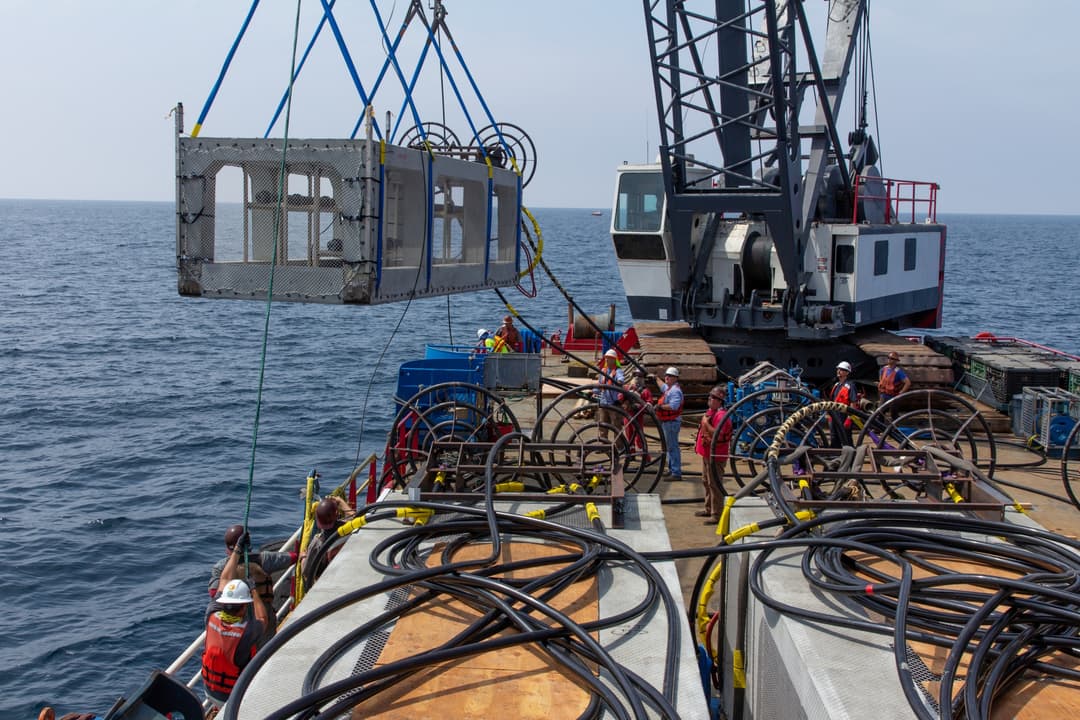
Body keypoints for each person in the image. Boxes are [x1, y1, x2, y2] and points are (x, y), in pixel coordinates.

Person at [202, 536, 270, 710]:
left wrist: (237, 549)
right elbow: (263, 619)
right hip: (234, 697)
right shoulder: (246, 632)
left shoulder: (212, 614)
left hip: (210, 692)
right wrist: (253, 589)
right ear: (243, 608)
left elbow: (224, 579)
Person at [209, 524, 297, 637]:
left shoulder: (220, 567)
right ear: (249, 544)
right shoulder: (263, 559)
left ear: (227, 548)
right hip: (263, 618)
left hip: (237, 623)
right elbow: (292, 557)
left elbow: (214, 593)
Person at [695, 385, 733, 523]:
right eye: (710, 396)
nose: (710, 399)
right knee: (706, 481)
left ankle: (716, 514)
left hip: (716, 456)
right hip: (708, 454)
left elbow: (718, 434)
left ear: (720, 401)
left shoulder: (721, 416)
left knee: (715, 484)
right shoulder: (712, 412)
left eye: (714, 397)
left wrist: (705, 423)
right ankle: (709, 508)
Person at [301, 496, 355, 582]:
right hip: (346, 569)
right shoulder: (348, 528)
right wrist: (341, 502)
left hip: (326, 580)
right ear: (337, 514)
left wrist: (303, 557)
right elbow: (357, 518)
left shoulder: (317, 542)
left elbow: (307, 572)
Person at [655, 367, 684, 480]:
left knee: (672, 447)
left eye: (670, 376)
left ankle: (676, 473)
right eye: (666, 375)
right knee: (669, 447)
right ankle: (672, 469)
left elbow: (674, 406)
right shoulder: (669, 388)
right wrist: (656, 378)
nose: (667, 377)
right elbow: (662, 386)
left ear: (675, 378)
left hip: (672, 423)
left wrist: (660, 407)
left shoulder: (675, 391)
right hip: (668, 422)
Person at [621, 368, 653, 460]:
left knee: (640, 437)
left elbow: (649, 404)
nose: (637, 378)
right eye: (635, 375)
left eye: (639, 376)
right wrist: (625, 396)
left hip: (638, 416)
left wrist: (638, 406)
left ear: (643, 378)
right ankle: (631, 454)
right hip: (628, 415)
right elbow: (619, 398)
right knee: (629, 436)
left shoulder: (645, 391)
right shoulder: (627, 388)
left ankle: (645, 455)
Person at [595, 348, 625, 441]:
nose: (607, 360)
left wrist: (619, 381)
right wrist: (593, 391)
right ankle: (604, 445)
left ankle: (619, 447)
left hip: (614, 404)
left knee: (616, 427)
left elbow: (621, 379)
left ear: (614, 360)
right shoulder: (603, 371)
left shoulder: (617, 371)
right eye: (606, 358)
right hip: (604, 403)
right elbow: (599, 385)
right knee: (602, 425)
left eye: (609, 358)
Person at [829, 360, 860, 446]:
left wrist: (849, 419)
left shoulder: (850, 386)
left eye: (841, 369)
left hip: (844, 416)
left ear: (847, 373)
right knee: (834, 438)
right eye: (838, 369)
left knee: (845, 438)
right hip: (835, 416)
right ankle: (835, 455)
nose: (838, 371)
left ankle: (850, 456)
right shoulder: (836, 385)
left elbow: (853, 403)